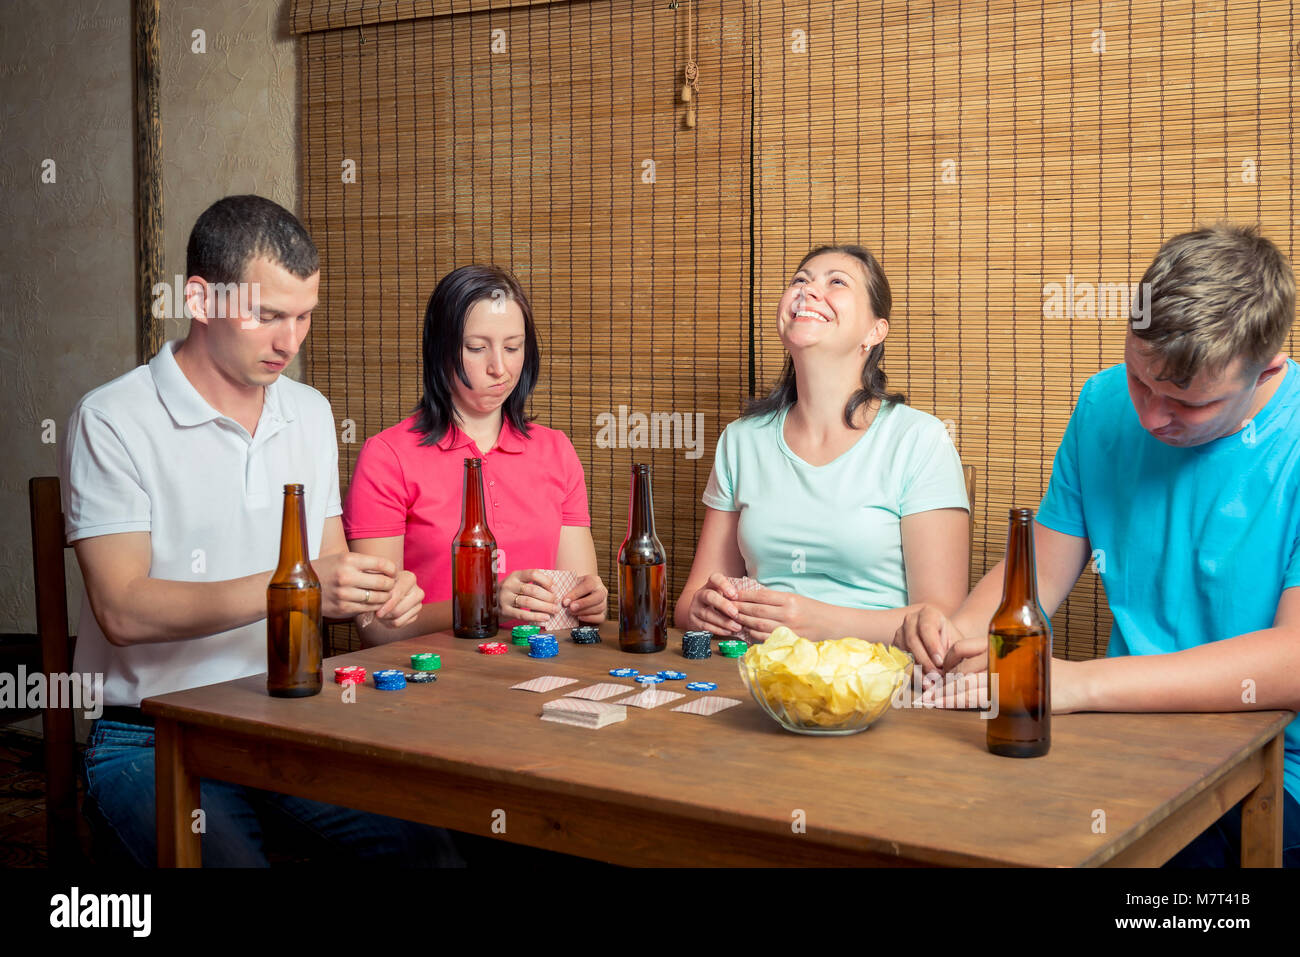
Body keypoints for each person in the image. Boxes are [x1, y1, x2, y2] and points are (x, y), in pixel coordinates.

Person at [62, 194, 462, 866]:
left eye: (303, 316)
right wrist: (298, 586)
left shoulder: (308, 412)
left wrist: (375, 590)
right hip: (149, 732)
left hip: (287, 712)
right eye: (267, 316)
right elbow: (122, 608)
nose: (289, 341)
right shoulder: (111, 418)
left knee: (430, 853)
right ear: (200, 298)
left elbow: (333, 565)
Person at [895, 222, 1300, 867]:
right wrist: (959, 634)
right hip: (1118, 740)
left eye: (1186, 404)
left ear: (1267, 371)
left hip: (1272, 769)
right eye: (1141, 381)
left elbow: (1292, 661)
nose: (1149, 416)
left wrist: (1078, 684)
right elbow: (1038, 575)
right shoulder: (1102, 402)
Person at [675, 244, 970, 643]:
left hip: (875, 683)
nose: (808, 291)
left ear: (874, 331)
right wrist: (703, 610)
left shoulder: (919, 440)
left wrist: (819, 622)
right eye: (800, 280)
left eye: (836, 282)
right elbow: (689, 603)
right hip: (756, 672)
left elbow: (943, 618)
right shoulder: (741, 440)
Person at [343, 264, 607, 643]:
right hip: (433, 683)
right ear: (441, 350)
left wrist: (589, 603)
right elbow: (374, 628)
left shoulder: (556, 451)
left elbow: (575, 604)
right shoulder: (388, 456)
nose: (499, 368)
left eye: (513, 347)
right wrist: (484, 605)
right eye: (476, 348)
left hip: (540, 668)